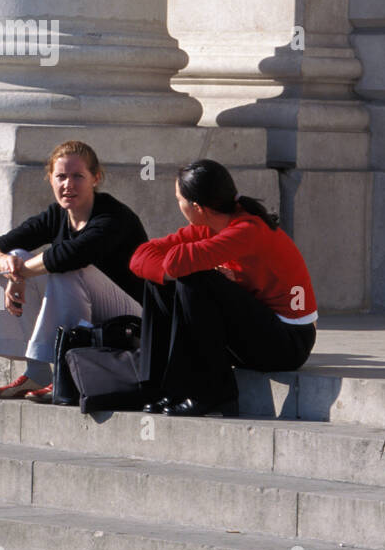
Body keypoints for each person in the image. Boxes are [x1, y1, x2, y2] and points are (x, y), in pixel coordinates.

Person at [128, 159, 317, 417]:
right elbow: (141, 254)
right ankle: (160, 387)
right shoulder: (211, 224)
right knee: (161, 281)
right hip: (262, 331)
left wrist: (184, 273)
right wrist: (168, 275)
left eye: (178, 199)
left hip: (289, 342)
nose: (178, 205)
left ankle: (214, 395)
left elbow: (176, 261)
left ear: (196, 206)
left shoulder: (246, 229)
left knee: (193, 280)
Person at [0, 141, 148, 401]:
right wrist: (6, 265)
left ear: (95, 178)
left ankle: (67, 374)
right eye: (61, 176)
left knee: (65, 268)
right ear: (50, 179)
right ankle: (37, 373)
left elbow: (69, 256)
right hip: (89, 312)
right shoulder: (56, 215)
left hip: (130, 320)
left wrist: (19, 274)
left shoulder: (114, 217)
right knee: (15, 256)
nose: (68, 184)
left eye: (78, 176)